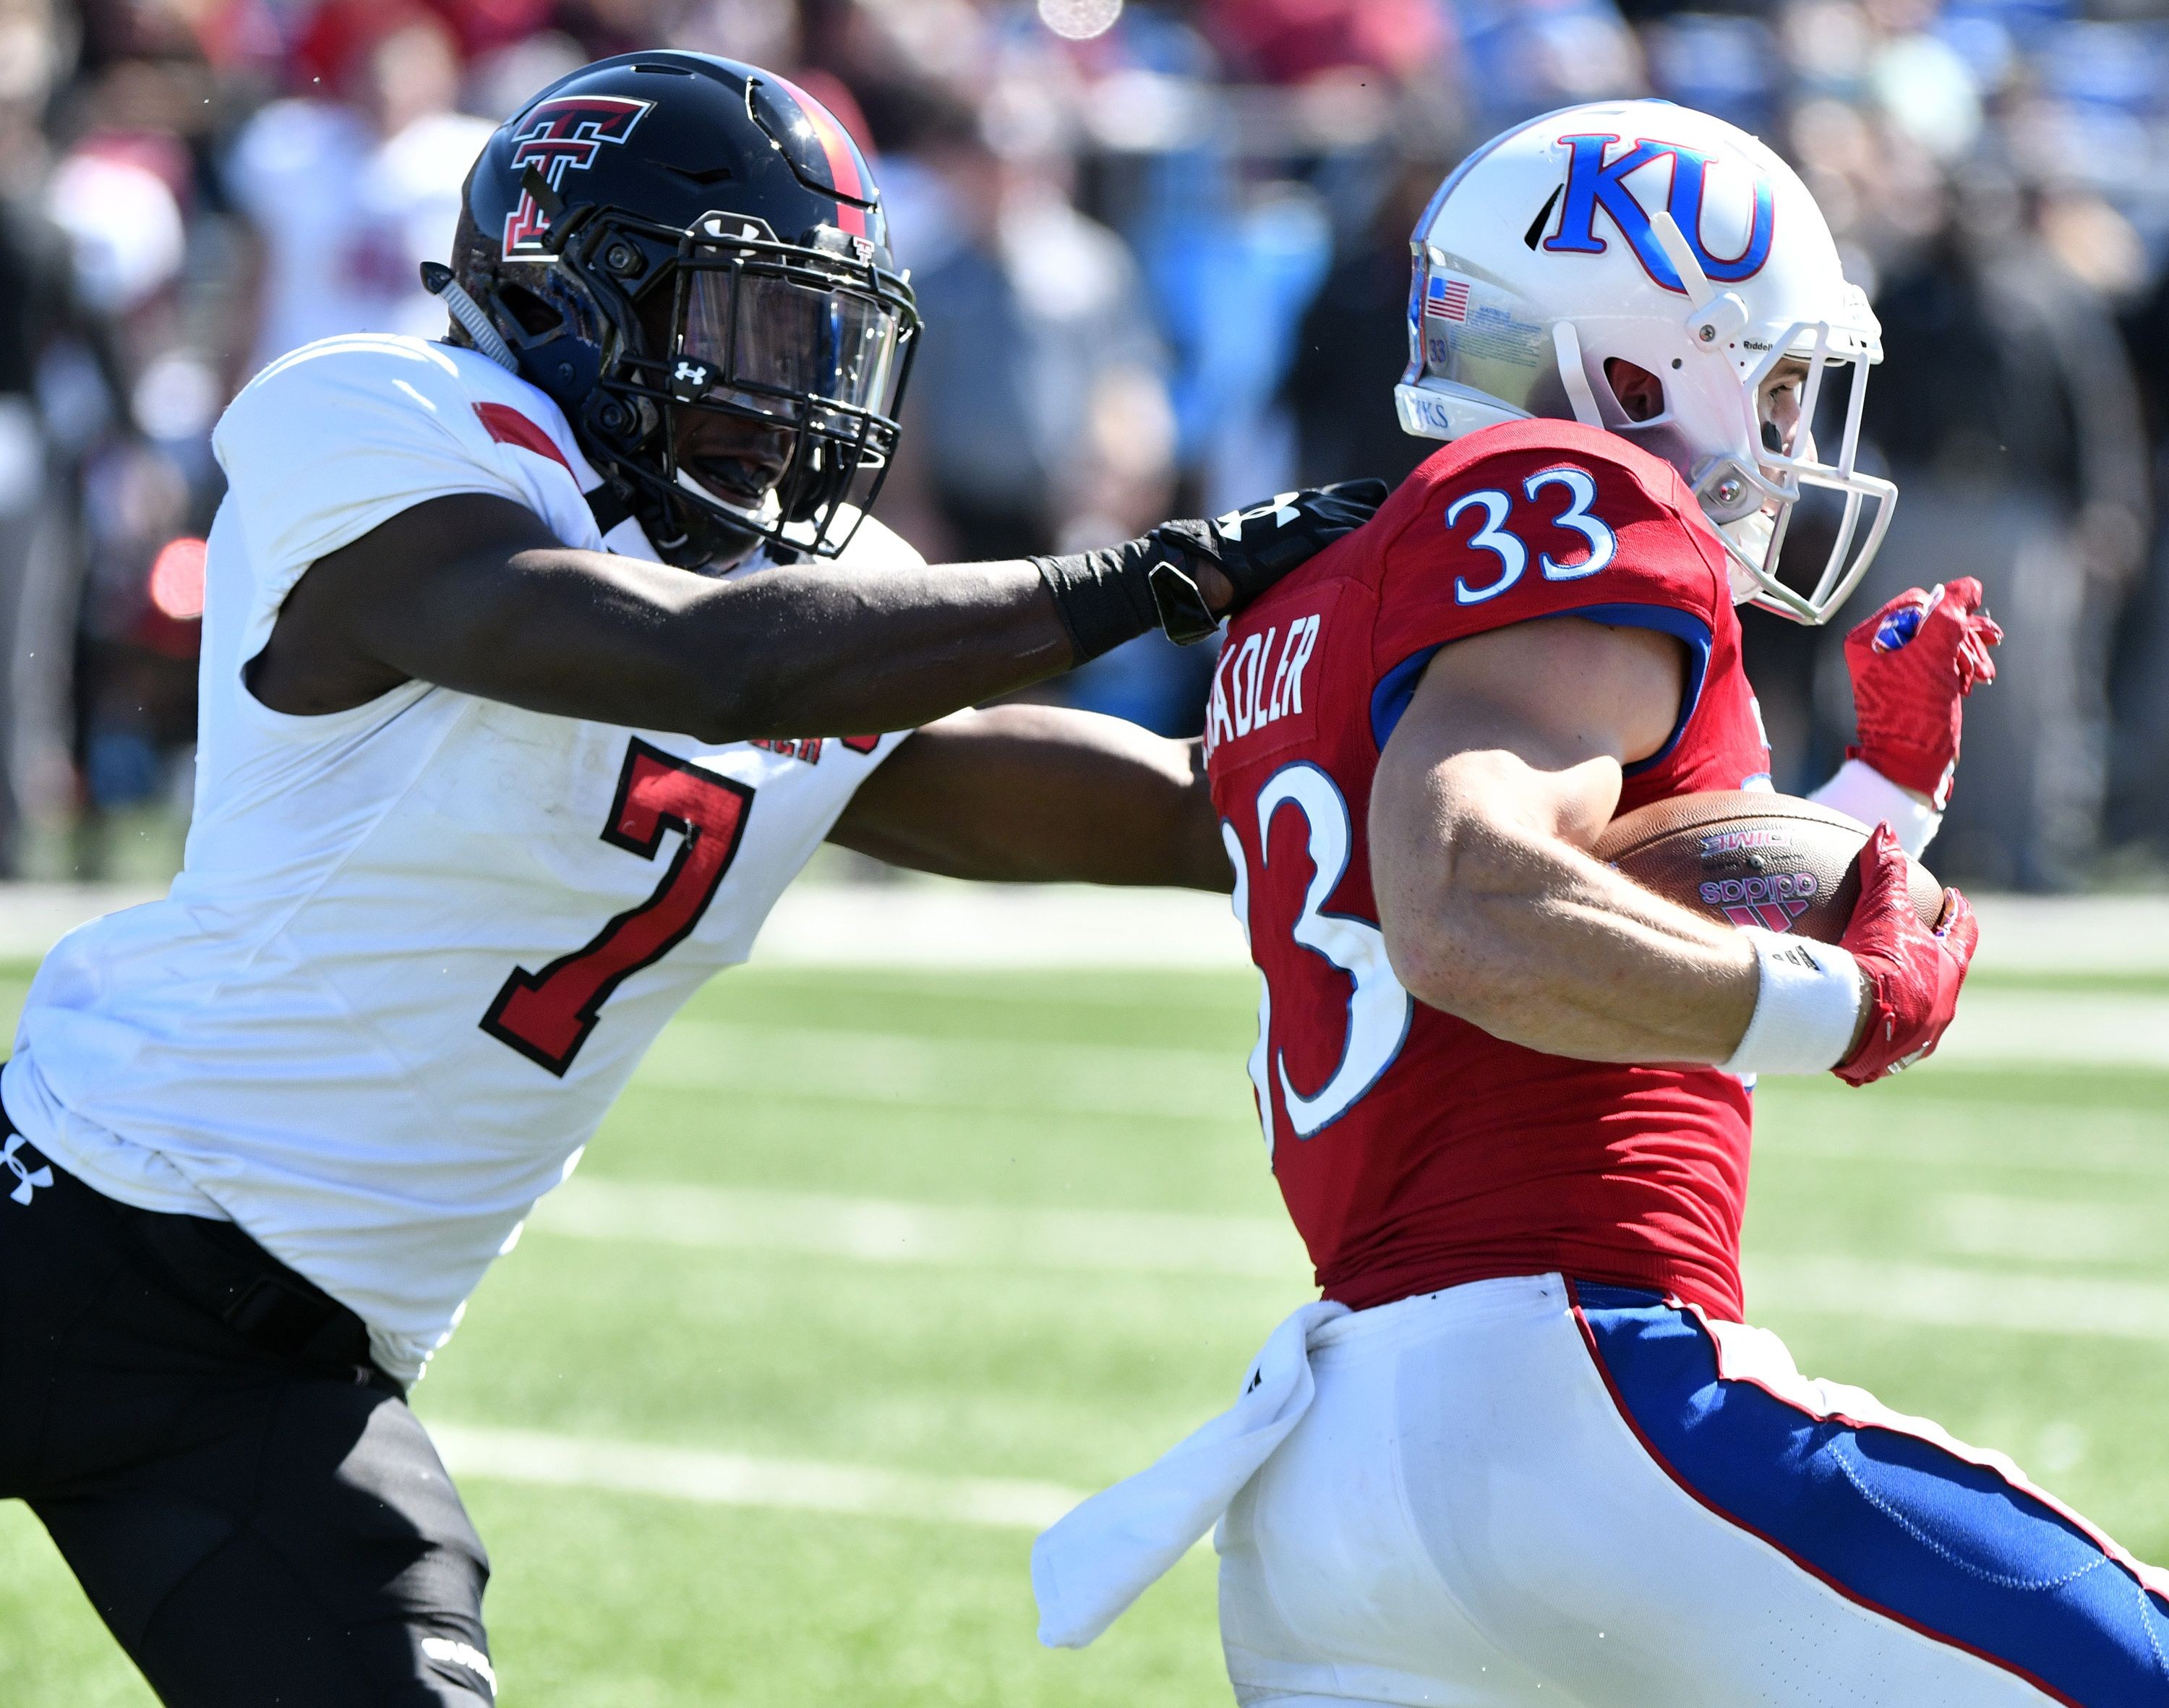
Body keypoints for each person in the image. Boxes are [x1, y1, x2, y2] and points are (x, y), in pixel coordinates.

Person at [0, 51, 1379, 1708]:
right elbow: (710, 664)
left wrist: (1468, 772)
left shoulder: (821, 600)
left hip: (290, 1373)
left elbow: (1155, 810)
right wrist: (1172, 572)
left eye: (821, 337)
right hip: (67, 1215)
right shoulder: (385, 422)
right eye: (743, 321)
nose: (788, 390)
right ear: (566, 295)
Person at [1032, 101, 2169, 1704]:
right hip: (1573, 1398)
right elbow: (1471, 897)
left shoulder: (1328, 593)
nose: (1791, 432)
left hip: (1334, 1483)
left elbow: (1620, 889)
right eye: (1773, 379)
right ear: (1635, 375)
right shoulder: (1573, 498)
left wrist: (1882, 796)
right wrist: (1837, 1005)